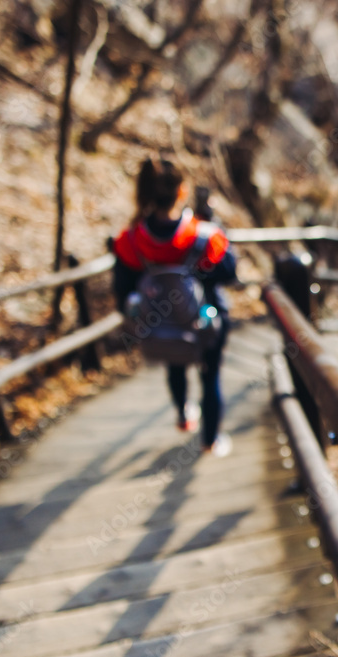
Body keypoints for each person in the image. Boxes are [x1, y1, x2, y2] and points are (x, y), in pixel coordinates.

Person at [111, 157, 237, 456]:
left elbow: (122, 290)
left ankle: (183, 415)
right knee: (211, 376)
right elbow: (229, 272)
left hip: (162, 325)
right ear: (182, 191)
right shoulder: (204, 236)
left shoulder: (131, 240)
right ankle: (210, 440)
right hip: (206, 321)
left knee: (176, 365)